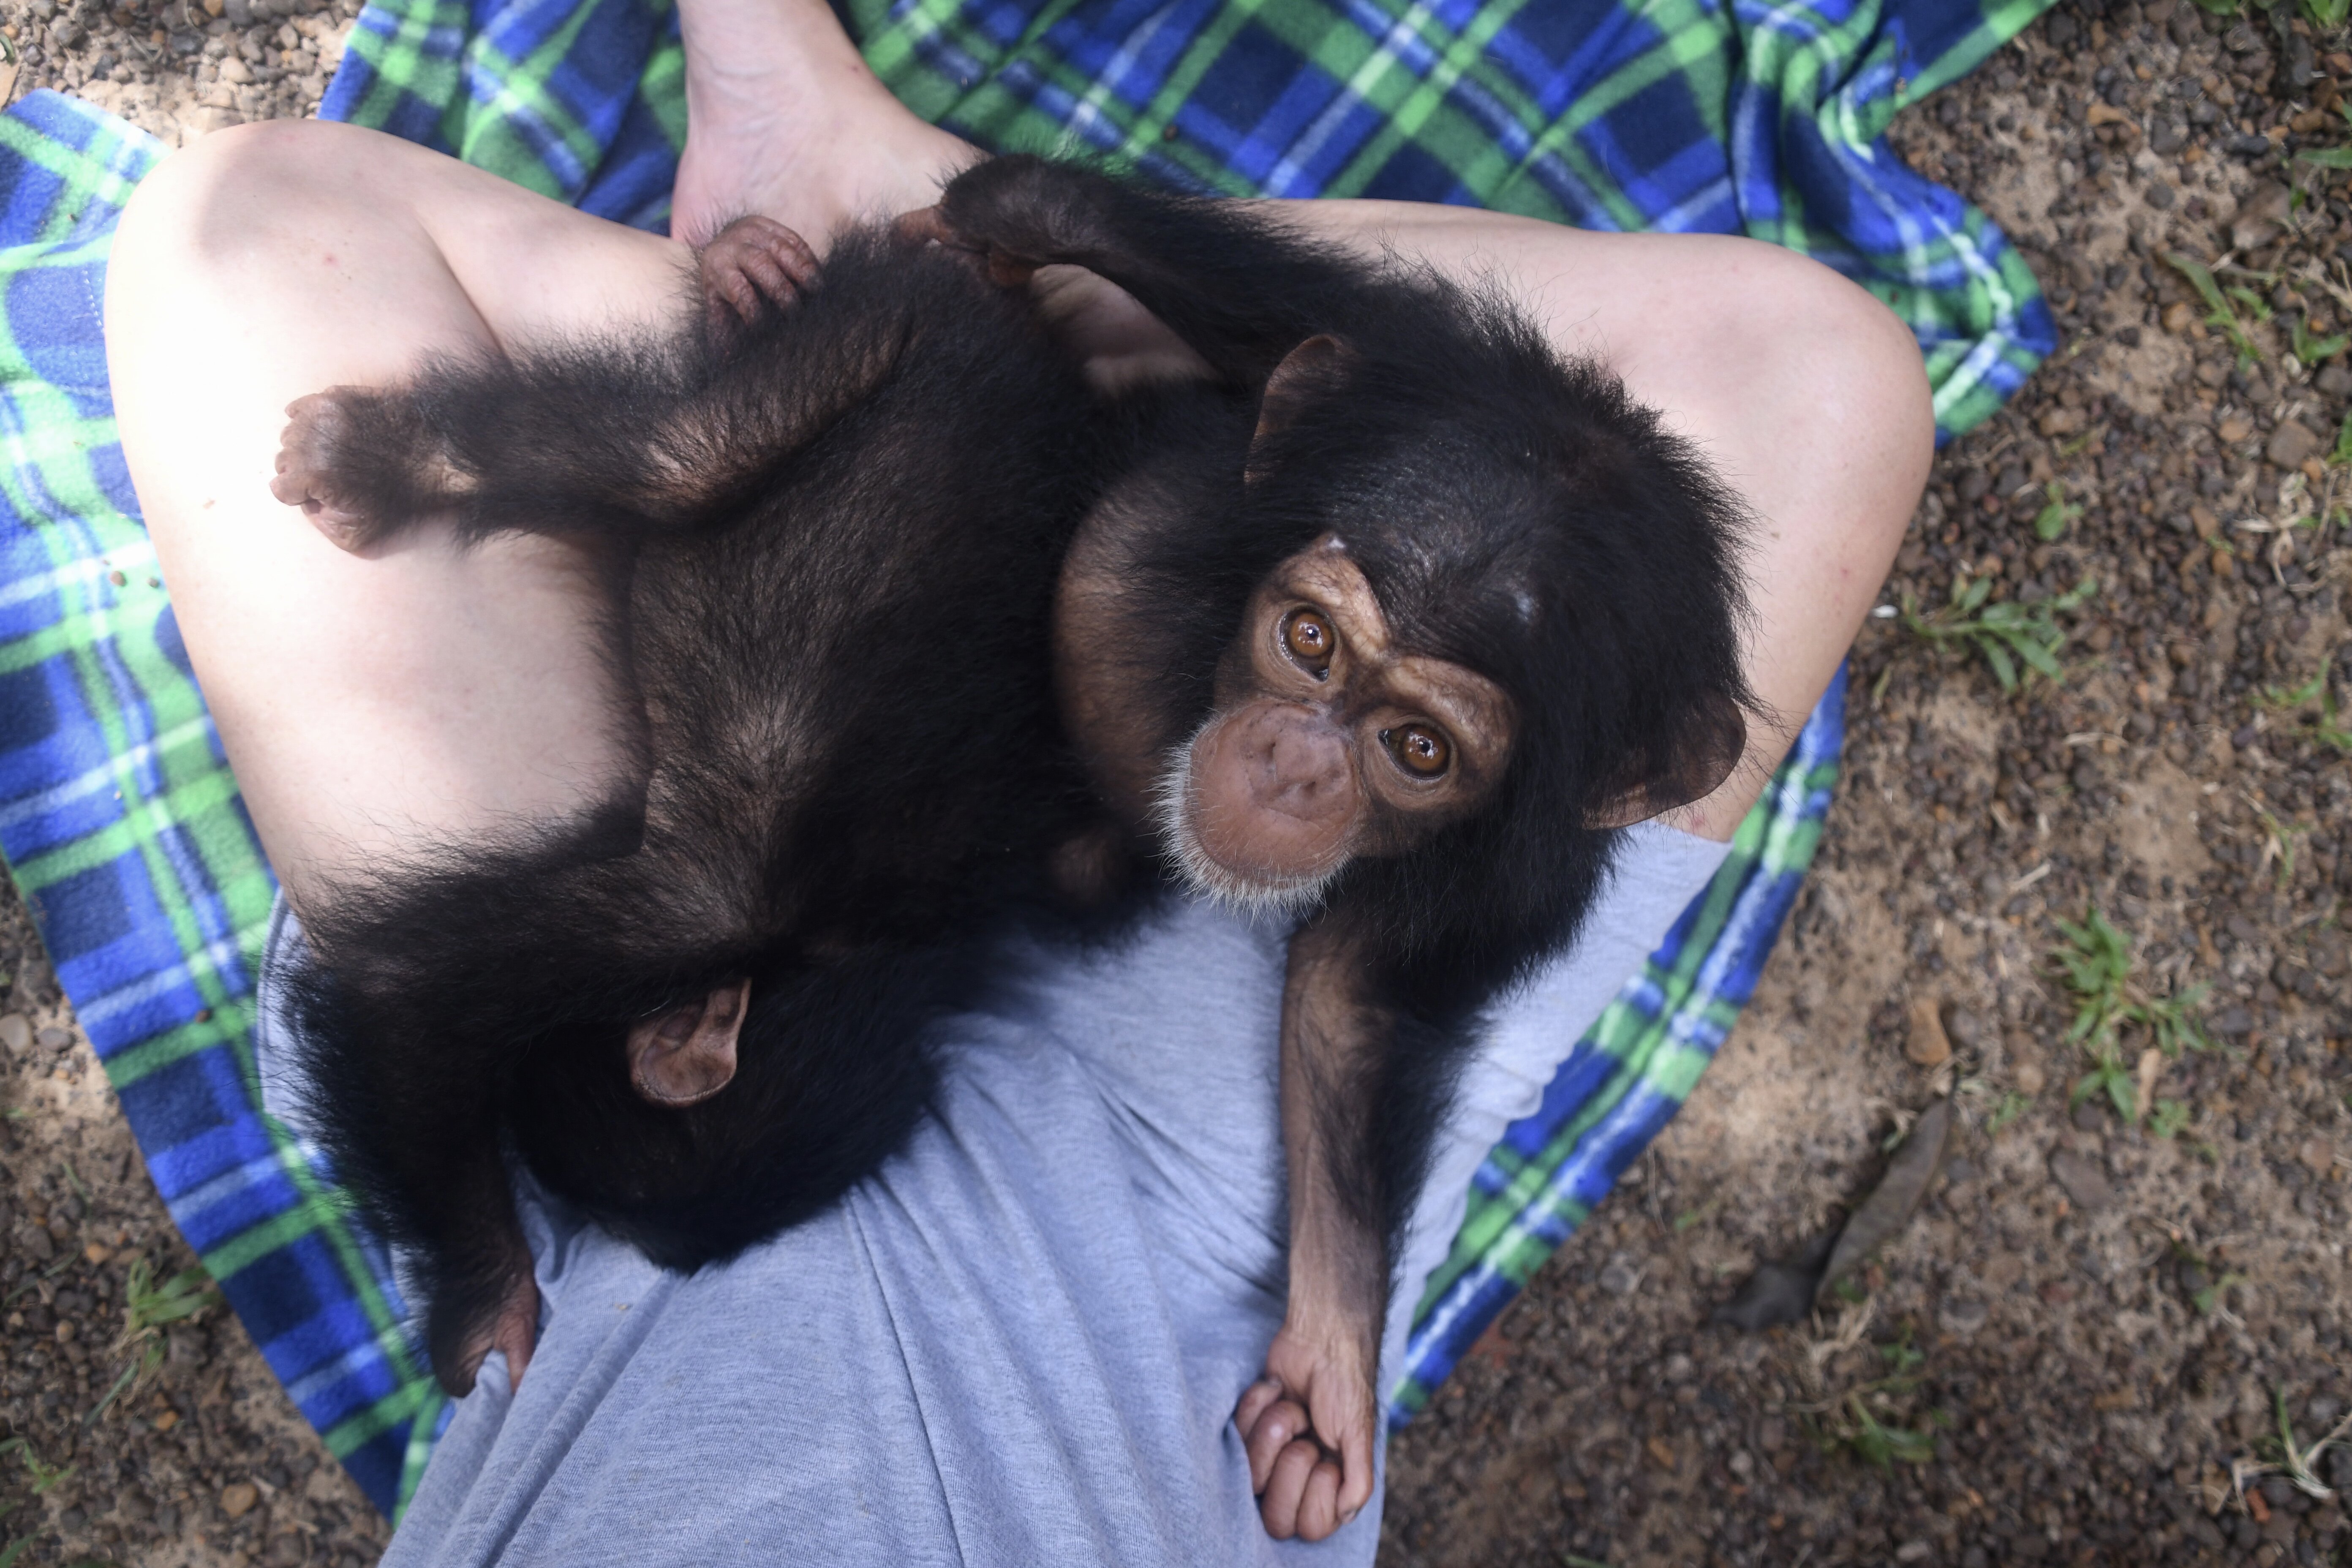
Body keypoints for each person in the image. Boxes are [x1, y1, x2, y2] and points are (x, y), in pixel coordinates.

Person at [103, 0, 1931, 1554]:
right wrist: (1036, 243)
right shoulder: (1191, 554)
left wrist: (1340, 1291)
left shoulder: (1459, 819)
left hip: (655, 1151)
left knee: (253, 227)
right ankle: (900, 197)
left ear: (1595, 784)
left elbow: (1384, 988)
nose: (1303, 755)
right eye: (1319, 657)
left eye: (1413, 739)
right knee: (1824, 375)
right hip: (1148, 1234)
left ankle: (917, 241)